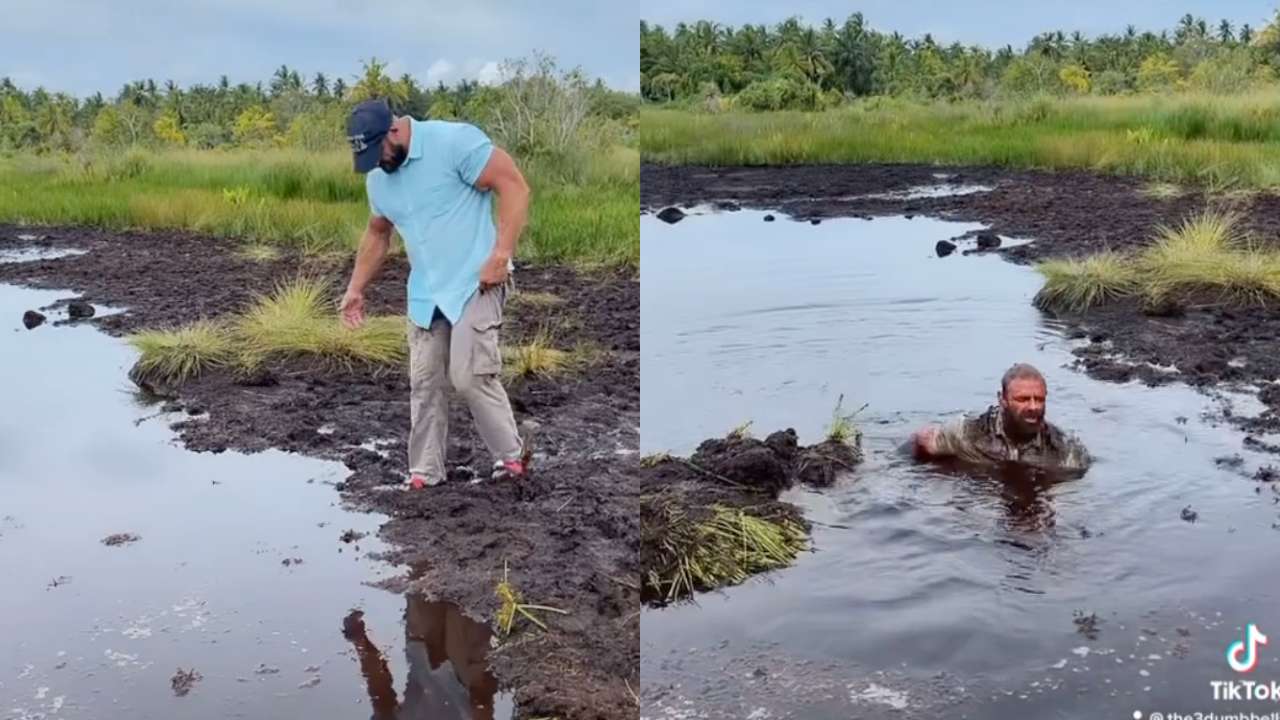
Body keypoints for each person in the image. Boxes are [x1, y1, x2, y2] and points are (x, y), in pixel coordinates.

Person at [340, 98, 532, 489]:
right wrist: (355, 289)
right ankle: (425, 472)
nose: (375, 165)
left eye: (378, 154)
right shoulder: (378, 178)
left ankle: (511, 458)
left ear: (394, 132)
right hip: (426, 294)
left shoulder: (454, 142)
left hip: (476, 282)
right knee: (425, 382)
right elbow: (378, 233)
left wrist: (502, 253)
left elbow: (513, 185)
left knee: (469, 376)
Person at [911, 363, 1091, 472]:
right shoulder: (966, 433)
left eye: (1039, 399)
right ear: (1002, 399)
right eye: (1022, 399)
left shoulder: (1065, 450)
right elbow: (922, 440)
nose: (1033, 407)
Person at [343, 595, 501, 720]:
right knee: (471, 599)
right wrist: (481, 701)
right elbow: (482, 709)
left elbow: (380, 689)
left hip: (423, 651)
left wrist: (359, 641)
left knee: (424, 583)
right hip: (466, 682)